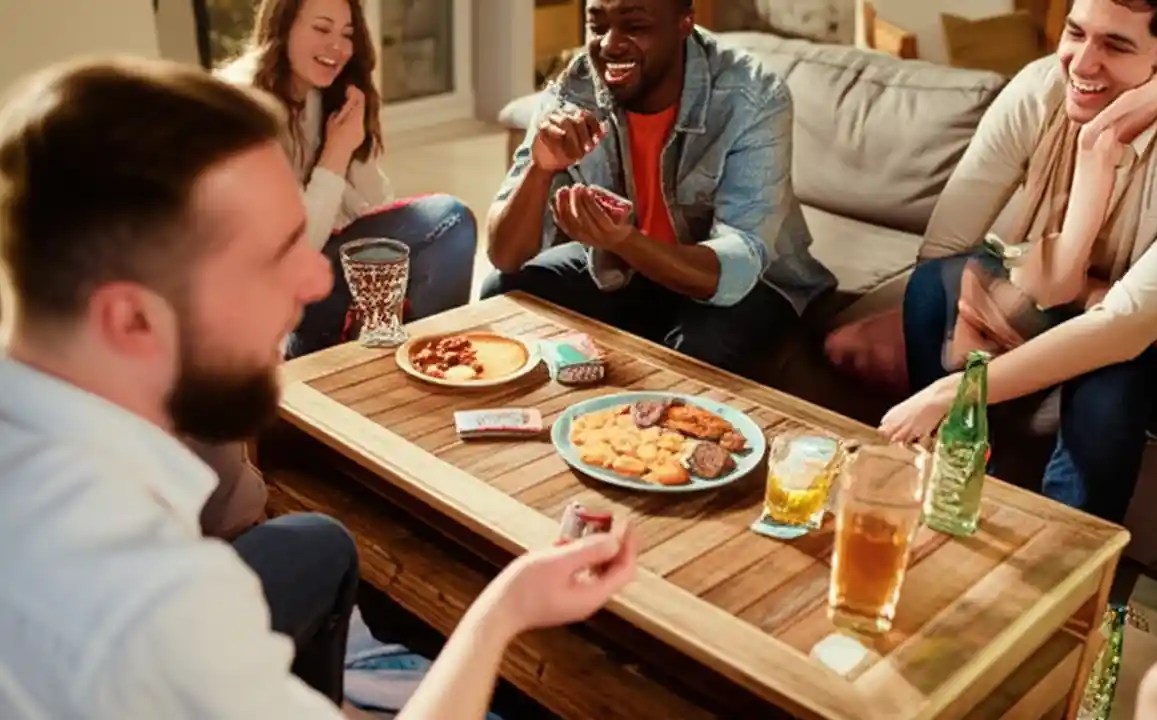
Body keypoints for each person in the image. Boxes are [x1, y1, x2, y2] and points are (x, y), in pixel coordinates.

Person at [0, 56, 637, 719]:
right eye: (275, 256)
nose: (314, 282)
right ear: (131, 318)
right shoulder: (156, 609)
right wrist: (507, 608)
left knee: (318, 541)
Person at [876, 0, 1157, 523]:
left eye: (1115, 45)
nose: (1081, 64)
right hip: (1074, 297)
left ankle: (1066, 556)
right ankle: (954, 489)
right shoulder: (1039, 87)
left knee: (1112, 370)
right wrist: (1093, 288)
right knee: (934, 286)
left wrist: (951, 392)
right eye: (1075, 33)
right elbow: (945, 248)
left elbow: (1125, 330)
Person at [482, 0, 835, 374]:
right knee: (504, 292)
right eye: (597, 26)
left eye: (634, 26)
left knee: (694, 354)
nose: (609, 45)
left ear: (684, 22)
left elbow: (737, 269)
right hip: (628, 270)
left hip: (752, 287)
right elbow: (505, 255)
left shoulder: (751, 95)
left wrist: (623, 241)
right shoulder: (575, 88)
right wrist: (540, 169)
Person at [218, 0, 478, 359]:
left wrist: (356, 141)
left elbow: (374, 205)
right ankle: (382, 357)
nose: (337, 47)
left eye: (347, 34)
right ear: (282, 28)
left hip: (312, 274)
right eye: (322, 29)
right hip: (263, 290)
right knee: (448, 219)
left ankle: (417, 361)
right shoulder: (243, 106)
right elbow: (297, 246)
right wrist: (336, 154)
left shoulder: (324, 90)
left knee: (445, 230)